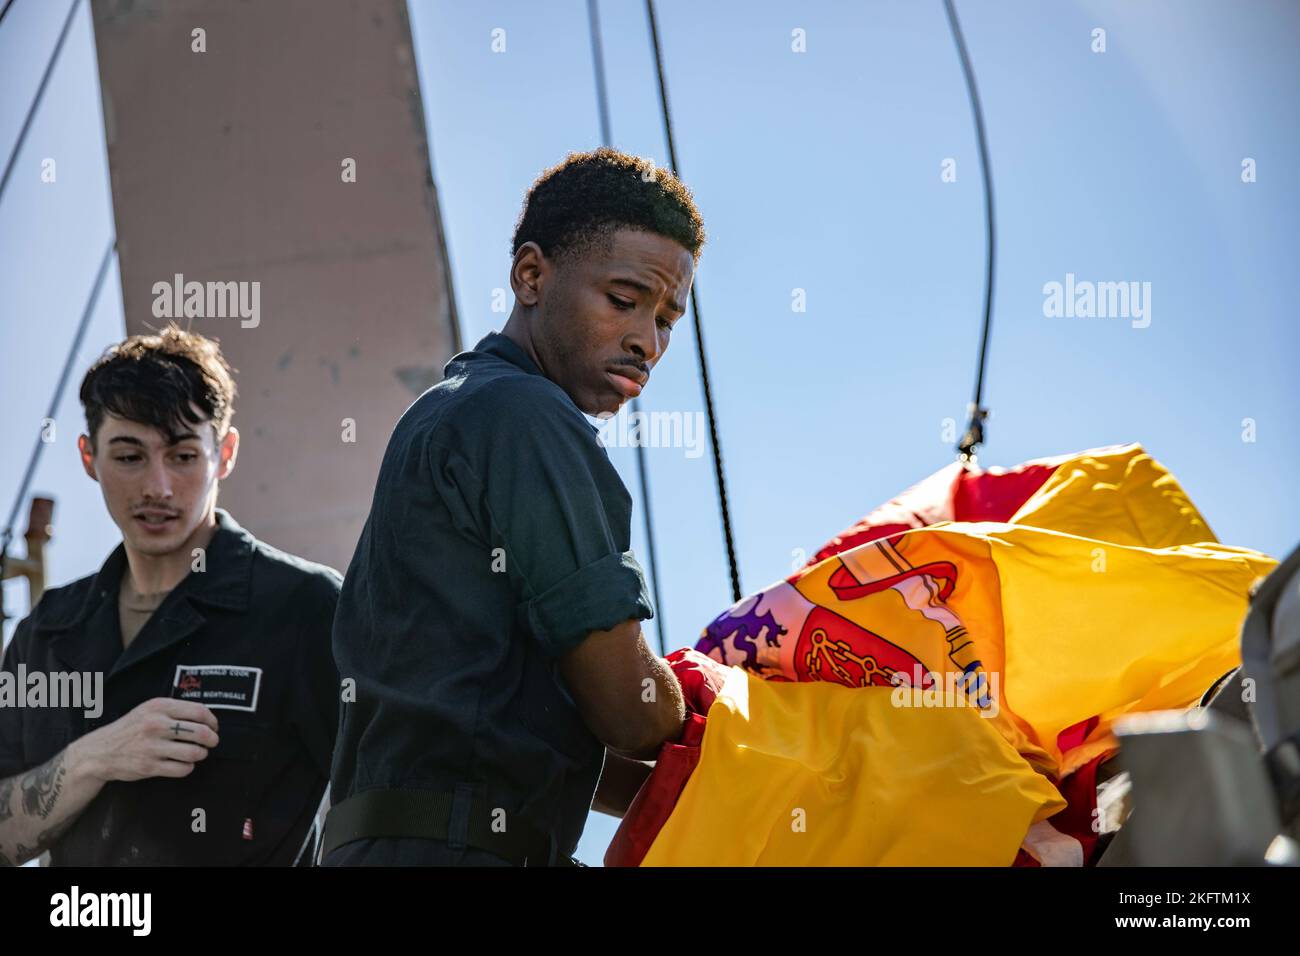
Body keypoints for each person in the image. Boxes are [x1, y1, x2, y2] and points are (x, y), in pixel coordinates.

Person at [323, 147, 704, 866]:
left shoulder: (451, 415)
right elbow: (627, 711)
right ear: (531, 275)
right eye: (623, 301)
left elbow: (526, 730)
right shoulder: (523, 417)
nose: (645, 341)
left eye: (666, 320)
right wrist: (731, 717)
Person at [0, 326, 341, 865]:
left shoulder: (306, 609)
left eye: (182, 456)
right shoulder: (46, 634)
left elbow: (386, 797)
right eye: (130, 456)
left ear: (223, 454)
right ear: (89, 458)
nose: (157, 487)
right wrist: (95, 757)